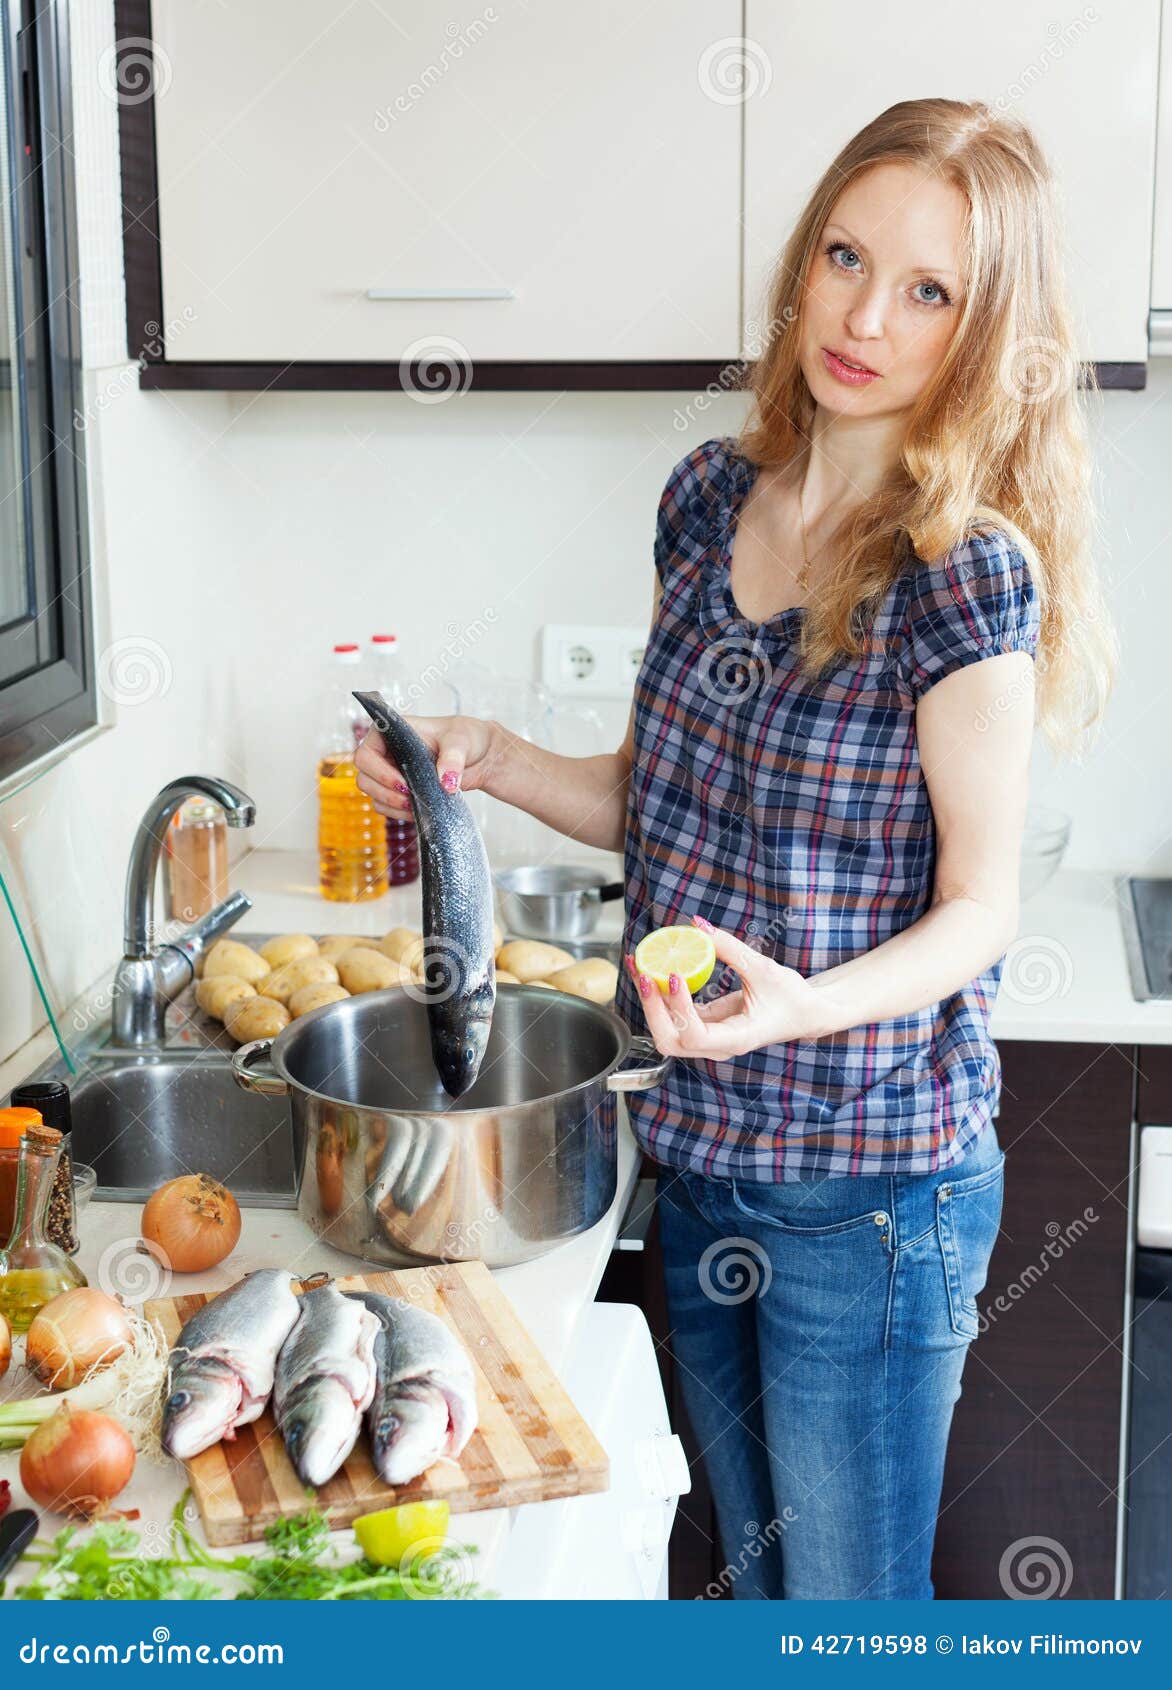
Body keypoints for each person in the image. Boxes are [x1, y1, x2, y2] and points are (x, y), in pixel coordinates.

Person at [356, 96, 1115, 1600]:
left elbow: (977, 907)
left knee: (841, 1612)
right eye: (845, 255)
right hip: (700, 1165)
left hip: (871, 1192)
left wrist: (808, 999)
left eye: (927, 291)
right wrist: (487, 761)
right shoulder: (709, 503)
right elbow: (667, 792)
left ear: (981, 333)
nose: (864, 315)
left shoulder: (964, 575)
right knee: (755, 1592)